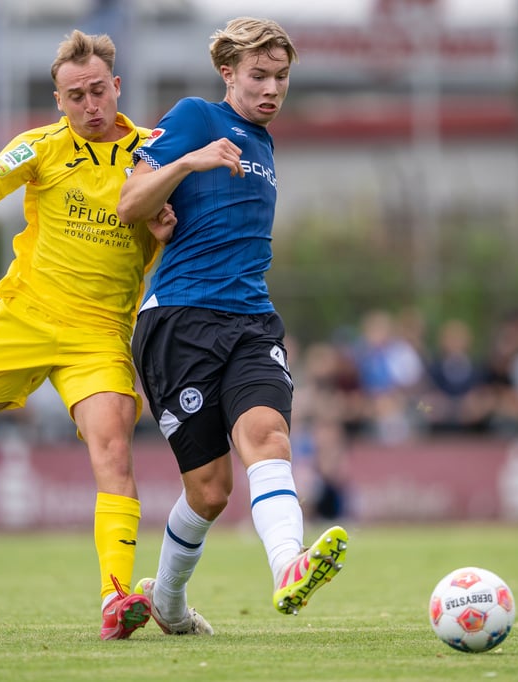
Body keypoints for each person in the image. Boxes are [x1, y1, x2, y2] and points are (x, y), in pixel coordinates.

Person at [0, 31, 171, 639]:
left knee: (113, 450)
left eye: (98, 91)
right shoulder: (39, 149)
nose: (88, 105)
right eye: (75, 96)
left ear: (117, 88)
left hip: (99, 333)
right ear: (58, 100)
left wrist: (169, 226)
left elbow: (177, 231)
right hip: (25, 319)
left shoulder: (153, 152)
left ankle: (116, 596)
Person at [116, 17, 348, 636]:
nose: (272, 88)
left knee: (268, 436)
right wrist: (188, 162)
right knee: (211, 491)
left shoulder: (265, 143)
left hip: (251, 322)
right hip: (180, 320)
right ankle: (166, 604)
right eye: (259, 76)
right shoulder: (196, 116)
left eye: (281, 77)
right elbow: (129, 203)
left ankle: (287, 568)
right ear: (228, 74)